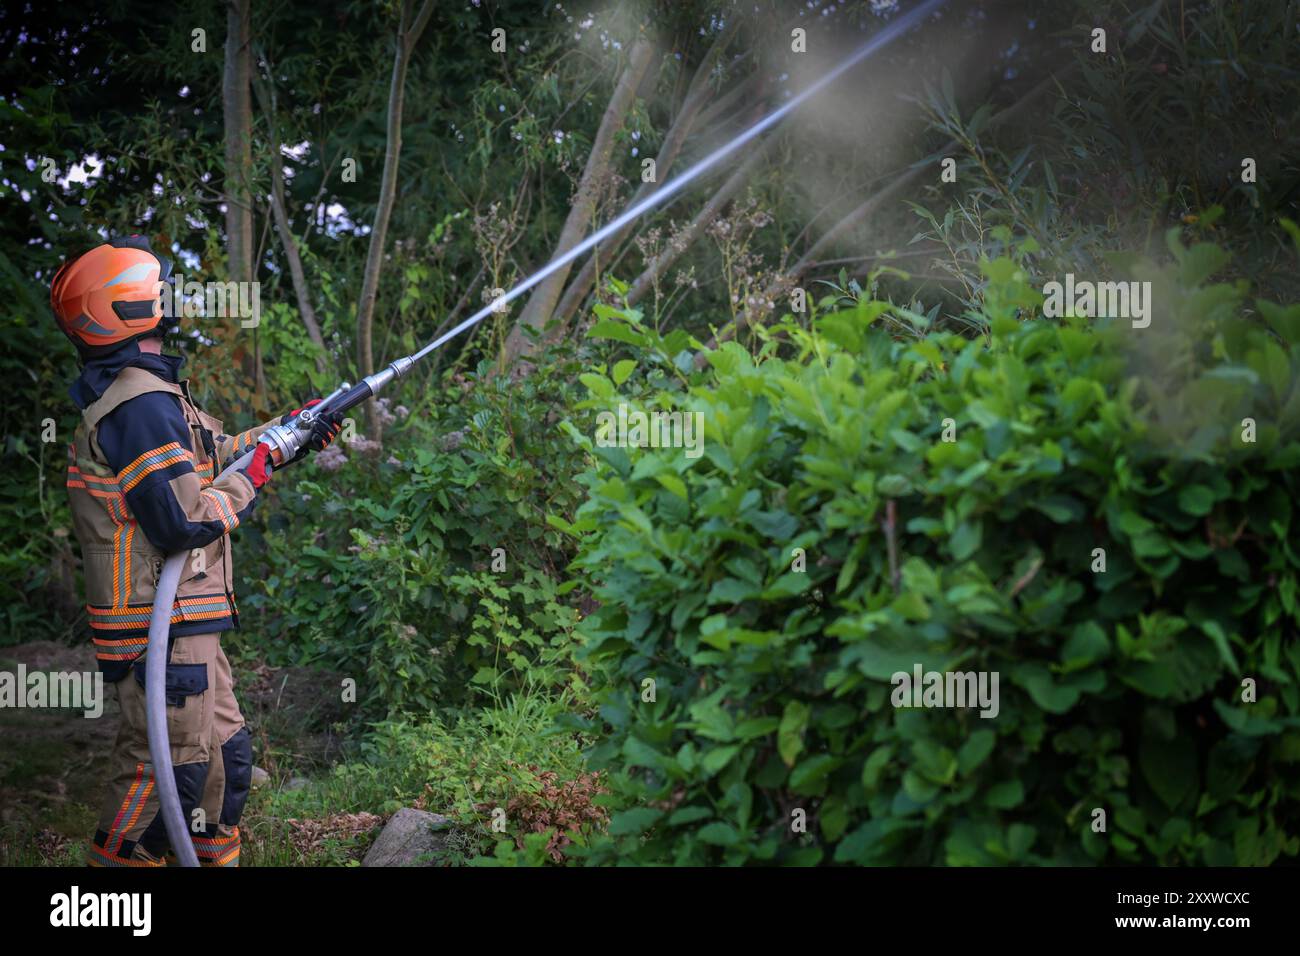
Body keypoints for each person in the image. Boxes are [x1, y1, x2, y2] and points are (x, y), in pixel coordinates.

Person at [51, 234, 341, 866]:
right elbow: (184, 520)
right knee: (166, 778)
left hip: (187, 620)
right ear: (126, 306)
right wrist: (259, 470)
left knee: (223, 765)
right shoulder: (138, 405)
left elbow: (218, 454)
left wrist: (294, 428)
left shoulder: (153, 395)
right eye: (156, 289)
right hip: (160, 622)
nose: (168, 298)